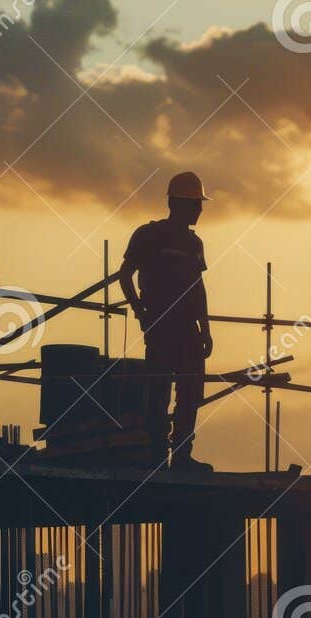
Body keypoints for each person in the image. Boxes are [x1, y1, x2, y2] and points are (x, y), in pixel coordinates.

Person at [119, 171, 214, 471]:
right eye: (196, 203)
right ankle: (158, 455)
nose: (200, 209)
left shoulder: (193, 243)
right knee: (159, 392)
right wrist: (141, 313)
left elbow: (197, 288)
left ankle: (182, 456)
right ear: (180, 203)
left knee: (190, 393)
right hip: (162, 327)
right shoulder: (149, 236)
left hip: (188, 330)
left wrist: (206, 329)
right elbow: (125, 275)